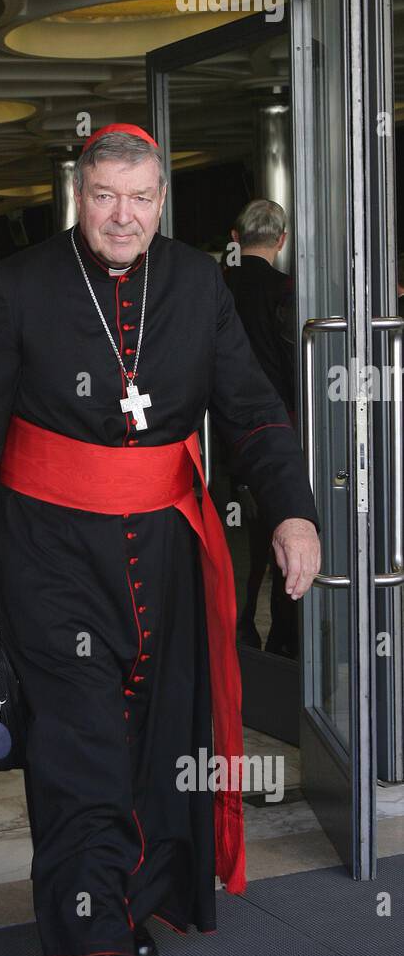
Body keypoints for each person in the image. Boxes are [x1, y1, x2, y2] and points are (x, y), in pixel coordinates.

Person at [0, 123, 320, 956]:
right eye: (105, 197)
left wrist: (292, 511)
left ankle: (128, 902)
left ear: (161, 201)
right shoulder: (22, 287)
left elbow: (252, 410)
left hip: (168, 551)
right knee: (78, 750)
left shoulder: (196, 283)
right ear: (80, 196)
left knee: (157, 740)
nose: (122, 216)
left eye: (140, 198)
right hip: (49, 557)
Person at [224, 198, 299, 657]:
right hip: (275, 430)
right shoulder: (287, 290)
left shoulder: (218, 286)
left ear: (236, 238)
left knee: (234, 540)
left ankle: (237, 630)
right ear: (282, 241)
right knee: (279, 532)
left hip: (219, 435)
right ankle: (284, 643)